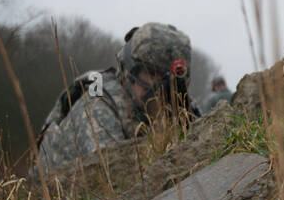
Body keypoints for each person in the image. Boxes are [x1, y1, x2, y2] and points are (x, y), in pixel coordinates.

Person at [30, 22, 200, 175]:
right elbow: (112, 180)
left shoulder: (176, 107)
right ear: (130, 73)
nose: (160, 89)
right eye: (151, 74)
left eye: (169, 80)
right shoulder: (98, 102)